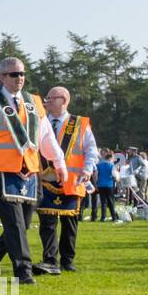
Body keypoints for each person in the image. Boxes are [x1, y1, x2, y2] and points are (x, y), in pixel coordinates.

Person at [0, 58, 68, 284]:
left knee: (25, 223)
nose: (19, 78)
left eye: (22, 74)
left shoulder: (33, 102)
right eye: (13, 74)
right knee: (15, 223)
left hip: (29, 170)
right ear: (0, 78)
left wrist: (59, 163)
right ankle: (23, 271)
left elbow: (46, 136)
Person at [34, 86, 97, 274]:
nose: (48, 101)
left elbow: (91, 149)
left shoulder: (79, 124)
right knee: (47, 223)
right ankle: (50, 260)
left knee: (70, 224)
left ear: (64, 100)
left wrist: (88, 169)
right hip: (45, 179)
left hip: (72, 181)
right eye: (47, 97)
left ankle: (68, 260)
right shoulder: (39, 121)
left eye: (52, 98)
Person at [90, 150, 118, 222]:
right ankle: (114, 217)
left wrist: (96, 184)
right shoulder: (112, 165)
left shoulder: (98, 165)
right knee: (111, 201)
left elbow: (95, 175)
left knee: (103, 202)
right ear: (110, 158)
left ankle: (103, 217)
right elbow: (115, 176)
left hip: (101, 185)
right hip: (109, 184)